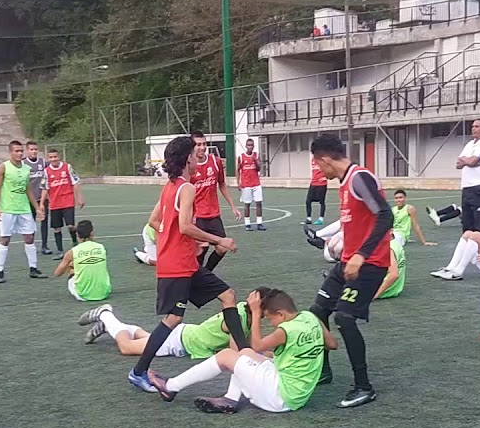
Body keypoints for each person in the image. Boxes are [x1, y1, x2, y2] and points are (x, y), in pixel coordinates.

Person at [127, 135, 247, 394]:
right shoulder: (186, 188)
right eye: (194, 154)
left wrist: (171, 239)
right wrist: (219, 240)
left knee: (228, 295)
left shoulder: (171, 186)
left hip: (185, 263)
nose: (197, 158)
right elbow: (185, 226)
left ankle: (245, 354)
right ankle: (138, 372)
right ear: (187, 158)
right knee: (173, 318)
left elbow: (153, 220)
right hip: (178, 266)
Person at [307, 134, 393, 409]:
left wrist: (360, 254)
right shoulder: (345, 182)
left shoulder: (359, 177)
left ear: (325, 159)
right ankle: (323, 371)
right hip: (347, 263)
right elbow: (357, 223)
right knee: (317, 312)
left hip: (371, 265)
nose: (319, 171)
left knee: (344, 317)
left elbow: (385, 215)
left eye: (318, 165)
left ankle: (363, 387)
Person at [149, 288, 336, 413]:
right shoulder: (310, 318)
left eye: (270, 319)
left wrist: (255, 313)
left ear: (281, 314)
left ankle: (171, 387)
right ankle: (230, 399)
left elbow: (256, 345)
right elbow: (332, 344)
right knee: (244, 355)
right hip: (298, 394)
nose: (270, 323)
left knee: (226, 356)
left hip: (281, 396)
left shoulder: (285, 330)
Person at [77, 293, 257, 356]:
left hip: (185, 335)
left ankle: (110, 327)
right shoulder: (240, 319)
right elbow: (239, 352)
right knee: (127, 347)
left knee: (148, 338)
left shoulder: (241, 311)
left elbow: (249, 346)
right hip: (180, 341)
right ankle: (106, 315)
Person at [423, 119, 480, 234]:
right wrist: (470, 161)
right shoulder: (470, 144)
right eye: (472, 126)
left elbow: (473, 161)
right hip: (466, 188)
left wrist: (469, 161)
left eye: (477, 126)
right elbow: (459, 164)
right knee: (467, 225)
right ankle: (469, 250)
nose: (473, 129)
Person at [0, 140, 46, 283]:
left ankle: (33, 269)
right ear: (10, 152)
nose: (19, 153)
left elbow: (28, 189)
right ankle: (0, 271)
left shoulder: (26, 168)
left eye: (21, 151)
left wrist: (37, 208)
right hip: (7, 209)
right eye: (16, 151)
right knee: (5, 239)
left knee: (29, 237)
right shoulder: (3, 167)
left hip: (24, 208)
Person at [190, 131, 241, 270]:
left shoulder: (215, 161)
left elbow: (222, 184)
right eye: (198, 144)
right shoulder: (190, 167)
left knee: (223, 246)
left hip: (213, 215)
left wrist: (233, 206)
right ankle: (195, 277)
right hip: (197, 217)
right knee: (201, 249)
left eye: (204, 144)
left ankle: (206, 273)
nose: (201, 147)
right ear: (192, 147)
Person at [40, 148, 84, 253]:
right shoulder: (46, 171)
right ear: (48, 158)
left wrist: (80, 198)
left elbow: (75, 182)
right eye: (51, 157)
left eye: (55, 157)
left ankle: (74, 241)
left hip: (68, 202)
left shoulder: (67, 167)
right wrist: (41, 203)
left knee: (70, 226)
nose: (53, 159)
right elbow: (45, 188)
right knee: (57, 228)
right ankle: (60, 251)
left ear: (59, 157)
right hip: (55, 204)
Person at [54, 220, 111, 302]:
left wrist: (70, 265)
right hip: (104, 293)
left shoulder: (73, 251)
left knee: (72, 269)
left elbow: (57, 273)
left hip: (83, 295)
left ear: (77, 234)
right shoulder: (101, 247)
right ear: (92, 233)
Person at [21, 141, 52, 254]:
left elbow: (49, 177)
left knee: (44, 221)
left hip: (42, 198)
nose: (34, 151)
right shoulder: (23, 163)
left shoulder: (43, 163)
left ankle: (44, 246)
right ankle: (31, 246)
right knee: (30, 223)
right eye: (31, 149)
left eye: (35, 149)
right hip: (29, 200)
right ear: (27, 150)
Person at [237, 138, 266, 231]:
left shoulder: (256, 155)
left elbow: (259, 168)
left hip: (256, 183)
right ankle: (247, 224)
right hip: (246, 184)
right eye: (248, 145)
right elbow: (237, 170)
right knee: (247, 204)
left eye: (251, 145)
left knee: (258, 203)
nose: (250, 147)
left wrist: (255, 161)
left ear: (253, 146)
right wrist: (238, 182)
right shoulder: (241, 157)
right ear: (246, 146)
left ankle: (259, 223)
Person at [375, 232, 408, 299]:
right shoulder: (395, 244)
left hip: (382, 291)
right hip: (394, 289)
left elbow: (393, 275)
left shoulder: (387, 249)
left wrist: (375, 295)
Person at [304, 157, 328, 225]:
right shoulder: (313, 159)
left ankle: (321, 219)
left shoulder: (324, 159)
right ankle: (309, 219)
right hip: (313, 183)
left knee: (321, 201)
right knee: (308, 201)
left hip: (322, 184)